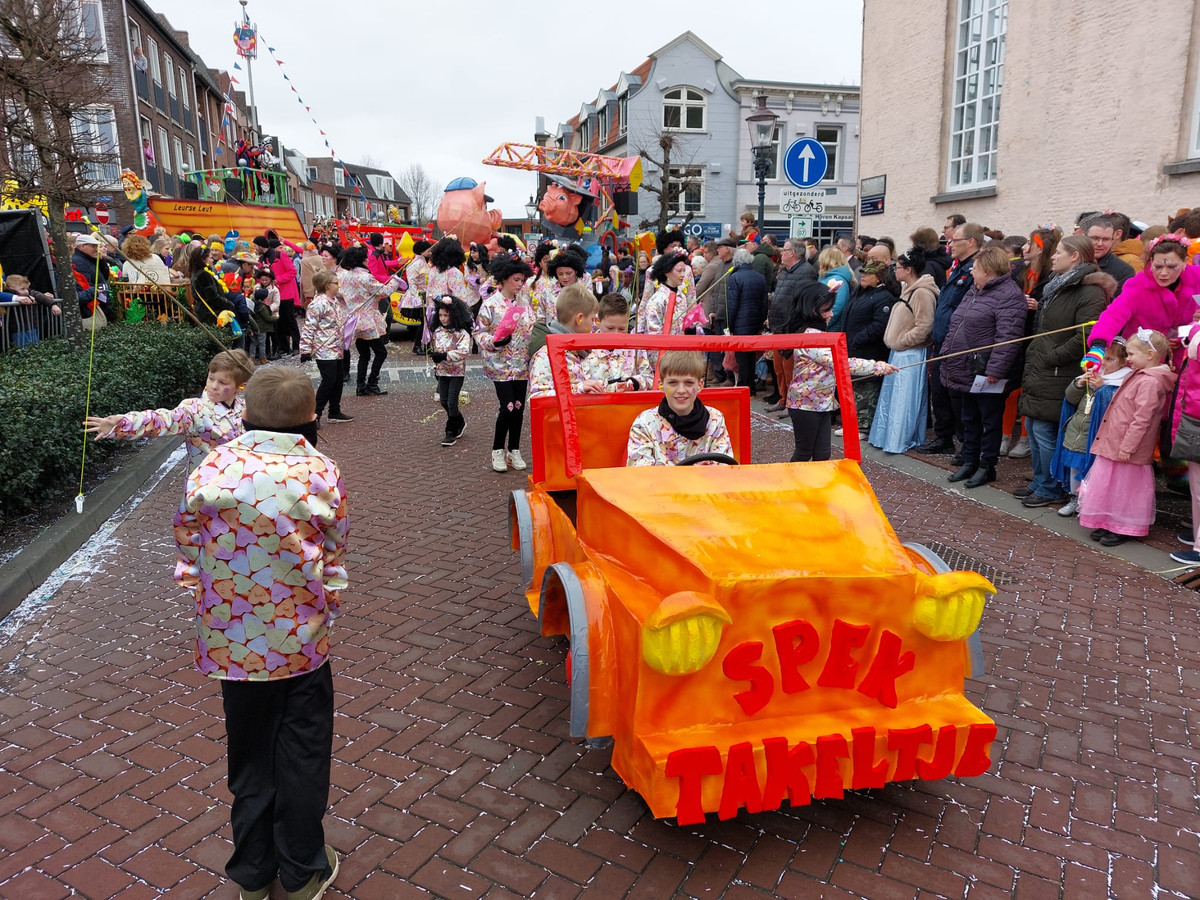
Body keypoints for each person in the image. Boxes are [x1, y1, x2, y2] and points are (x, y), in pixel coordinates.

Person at [174, 365, 347, 900]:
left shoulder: (213, 466)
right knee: (303, 751)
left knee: (249, 755)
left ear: (244, 414)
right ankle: (301, 870)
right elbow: (334, 551)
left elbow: (188, 539)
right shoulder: (320, 470)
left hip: (233, 644)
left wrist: (204, 594)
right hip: (299, 642)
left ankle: (252, 872)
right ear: (311, 416)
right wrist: (327, 604)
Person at [1016, 235, 1116, 508]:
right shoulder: (1058, 285)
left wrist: (1052, 356)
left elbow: (1086, 335)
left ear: (1075, 256)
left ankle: (1050, 487)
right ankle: (1040, 480)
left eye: (1058, 252)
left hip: (1058, 370)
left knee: (1045, 430)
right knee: (1033, 426)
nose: (1052, 256)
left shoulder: (1090, 291)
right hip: (1042, 366)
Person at [940, 245, 1029, 488]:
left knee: (989, 420)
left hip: (986, 372)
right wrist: (947, 353)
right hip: (965, 367)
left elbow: (1008, 337)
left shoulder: (1010, 296)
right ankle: (970, 460)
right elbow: (956, 325)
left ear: (988, 271)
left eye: (976, 268)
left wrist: (995, 370)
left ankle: (986, 465)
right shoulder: (975, 290)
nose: (972, 272)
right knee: (969, 417)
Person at [1078, 330, 1175, 546]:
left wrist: (1128, 446)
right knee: (1112, 485)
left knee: (1127, 489)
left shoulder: (1149, 382)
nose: (1128, 359)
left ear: (1149, 355)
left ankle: (1124, 526)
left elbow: (1142, 419)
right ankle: (1108, 520)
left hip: (1127, 447)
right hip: (1116, 440)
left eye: (1131, 354)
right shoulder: (1139, 374)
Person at [84, 350, 254, 472]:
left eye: (223, 383)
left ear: (241, 386)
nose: (214, 386)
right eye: (211, 378)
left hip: (241, 492)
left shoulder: (246, 409)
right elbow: (161, 419)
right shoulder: (194, 410)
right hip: (206, 493)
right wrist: (122, 424)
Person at [782, 283, 896, 462]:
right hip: (804, 404)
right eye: (826, 310)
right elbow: (840, 362)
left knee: (822, 454)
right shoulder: (811, 336)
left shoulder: (817, 332)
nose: (831, 315)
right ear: (812, 310)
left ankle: (816, 480)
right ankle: (792, 481)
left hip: (821, 401)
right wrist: (877, 367)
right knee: (804, 453)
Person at [1086, 233, 1200, 372]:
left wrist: (1187, 333)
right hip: (1142, 363)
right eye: (1158, 266)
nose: (1164, 273)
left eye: (1172, 267)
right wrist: (1098, 346)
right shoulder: (1137, 287)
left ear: (1184, 262)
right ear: (1151, 261)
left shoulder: (1197, 280)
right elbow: (1113, 315)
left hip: (1187, 363)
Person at [918, 222, 983, 455]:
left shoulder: (975, 270)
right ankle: (943, 437)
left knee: (957, 397)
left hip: (958, 344)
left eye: (955, 240)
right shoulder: (958, 268)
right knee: (940, 392)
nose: (949, 245)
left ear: (971, 242)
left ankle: (966, 444)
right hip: (942, 341)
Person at [1050, 340, 1131, 518]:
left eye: (1110, 359)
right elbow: (1070, 399)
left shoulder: (1124, 381)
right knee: (1075, 467)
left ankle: (1090, 503)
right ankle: (1075, 498)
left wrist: (1102, 389)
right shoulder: (1092, 373)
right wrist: (1079, 384)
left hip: (1097, 435)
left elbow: (1116, 407)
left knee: (1094, 471)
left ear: (1124, 362)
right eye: (1102, 358)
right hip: (1078, 432)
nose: (1103, 363)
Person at [870, 248, 938, 453]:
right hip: (899, 352)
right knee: (893, 397)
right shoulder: (908, 289)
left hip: (909, 354)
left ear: (909, 269)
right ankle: (887, 437)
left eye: (898, 267)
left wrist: (903, 341)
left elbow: (924, 326)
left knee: (904, 399)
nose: (895, 271)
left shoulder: (922, 293)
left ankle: (899, 439)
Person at [475, 255, 536, 473]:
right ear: (503, 279)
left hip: (521, 364)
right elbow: (479, 333)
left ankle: (514, 449)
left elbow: (532, 328)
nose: (520, 284)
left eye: (522, 280)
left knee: (519, 408)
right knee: (507, 406)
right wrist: (494, 342)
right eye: (516, 280)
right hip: (499, 364)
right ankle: (497, 450)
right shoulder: (490, 305)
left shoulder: (525, 304)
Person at [626, 351, 734, 466]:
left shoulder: (715, 419)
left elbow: (724, 469)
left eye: (689, 383)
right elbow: (640, 472)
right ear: (661, 385)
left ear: (700, 385)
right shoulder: (645, 423)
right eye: (673, 383)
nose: (681, 390)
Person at [337, 245, 404, 397]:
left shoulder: (344, 276)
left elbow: (341, 295)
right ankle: (372, 383)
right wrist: (395, 280)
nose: (368, 260)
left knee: (364, 354)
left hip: (353, 319)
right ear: (362, 260)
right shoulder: (365, 277)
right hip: (367, 320)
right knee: (381, 352)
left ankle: (361, 385)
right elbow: (384, 291)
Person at [841, 260, 896, 438]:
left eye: (868, 273)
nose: (863, 275)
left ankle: (864, 426)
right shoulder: (859, 292)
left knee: (866, 388)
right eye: (863, 272)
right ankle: (852, 423)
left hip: (868, 350)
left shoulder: (884, 297)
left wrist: (858, 338)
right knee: (854, 386)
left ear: (879, 277)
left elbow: (879, 325)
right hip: (852, 346)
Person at [765, 239, 818, 410]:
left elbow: (803, 302)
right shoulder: (785, 272)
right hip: (778, 326)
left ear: (792, 253)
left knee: (790, 369)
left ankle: (792, 403)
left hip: (792, 327)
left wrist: (792, 323)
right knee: (778, 368)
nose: (781, 253)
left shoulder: (806, 272)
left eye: (784, 250)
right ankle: (783, 398)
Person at [528, 285, 604, 398]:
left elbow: (589, 385)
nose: (593, 325)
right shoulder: (546, 354)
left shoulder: (579, 351)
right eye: (592, 319)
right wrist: (578, 389)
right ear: (579, 319)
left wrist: (613, 387)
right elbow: (537, 396)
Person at [300, 269, 352, 425]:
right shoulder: (318, 304)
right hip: (324, 349)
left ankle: (334, 411)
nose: (338, 285)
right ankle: (315, 414)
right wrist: (305, 350)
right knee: (329, 381)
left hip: (337, 347)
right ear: (326, 285)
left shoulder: (334, 301)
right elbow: (309, 327)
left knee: (337, 380)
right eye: (336, 283)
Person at [429, 295, 473, 447]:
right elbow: (437, 347)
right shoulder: (438, 331)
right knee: (443, 401)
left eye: (446, 315)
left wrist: (445, 356)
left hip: (456, 372)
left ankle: (450, 430)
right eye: (440, 315)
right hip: (442, 371)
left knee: (452, 401)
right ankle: (459, 421)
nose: (443, 318)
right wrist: (436, 358)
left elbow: (463, 352)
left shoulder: (462, 333)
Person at [585, 293, 653, 390]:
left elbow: (650, 379)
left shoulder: (635, 348)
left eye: (622, 329)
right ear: (597, 321)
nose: (616, 334)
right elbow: (578, 384)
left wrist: (635, 383)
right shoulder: (585, 349)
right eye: (610, 328)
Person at [635, 251, 691, 369]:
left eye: (684, 271)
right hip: (664, 356)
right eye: (679, 271)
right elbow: (653, 333)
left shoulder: (682, 296)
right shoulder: (657, 300)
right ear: (667, 273)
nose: (683, 275)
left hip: (680, 353)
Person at [725, 248, 768, 395]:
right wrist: (761, 322)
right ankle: (751, 386)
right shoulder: (760, 277)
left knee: (741, 358)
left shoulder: (735, 277)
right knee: (750, 356)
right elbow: (764, 303)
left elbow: (732, 304)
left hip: (740, 323)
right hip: (755, 321)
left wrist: (729, 326)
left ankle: (744, 387)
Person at [696, 238, 735, 383]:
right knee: (718, 344)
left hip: (721, 309)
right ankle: (719, 374)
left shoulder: (715, 266)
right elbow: (716, 290)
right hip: (717, 308)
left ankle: (721, 374)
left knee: (719, 345)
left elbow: (702, 286)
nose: (704, 255)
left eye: (706, 252)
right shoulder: (720, 265)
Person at [255, 232, 301, 355]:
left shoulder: (280, 255)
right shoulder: (261, 259)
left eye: (256, 246)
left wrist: (277, 280)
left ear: (261, 245)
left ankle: (296, 345)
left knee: (290, 320)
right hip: (271, 295)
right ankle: (283, 347)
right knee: (277, 322)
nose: (255, 248)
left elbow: (292, 271)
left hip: (285, 293)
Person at [182, 242, 237, 328]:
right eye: (210, 258)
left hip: (204, 311)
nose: (212, 260)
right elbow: (212, 297)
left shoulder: (196, 273)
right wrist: (228, 304)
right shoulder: (204, 275)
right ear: (203, 260)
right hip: (210, 314)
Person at [1082, 213, 1135, 292]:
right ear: (1084, 237)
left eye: (1106, 239)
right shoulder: (1070, 260)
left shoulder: (1124, 271)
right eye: (1095, 238)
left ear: (1112, 240)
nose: (1100, 244)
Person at [72, 233, 111, 322]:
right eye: (93, 246)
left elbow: (105, 276)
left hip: (100, 303)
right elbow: (84, 285)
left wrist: (101, 260)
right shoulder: (79, 262)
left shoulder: (90, 259)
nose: (96, 249)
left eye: (97, 246)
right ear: (82, 246)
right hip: (93, 307)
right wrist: (94, 292)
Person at [400, 240, 432, 350]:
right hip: (419, 296)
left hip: (425, 295)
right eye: (428, 250)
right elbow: (412, 282)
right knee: (425, 322)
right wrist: (416, 297)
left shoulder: (425, 263)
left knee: (426, 322)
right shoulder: (415, 264)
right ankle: (418, 345)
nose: (430, 252)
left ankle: (422, 345)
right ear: (422, 251)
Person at [818, 247, 856, 331]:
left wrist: (821, 326)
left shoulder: (837, 280)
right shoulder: (827, 277)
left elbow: (836, 308)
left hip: (830, 329)